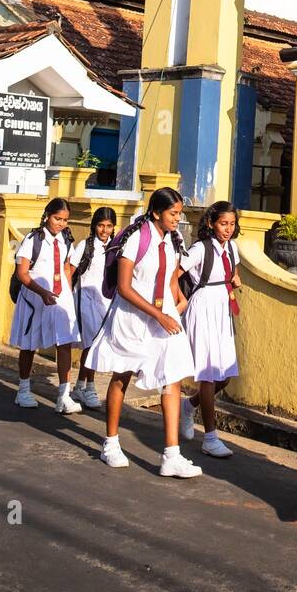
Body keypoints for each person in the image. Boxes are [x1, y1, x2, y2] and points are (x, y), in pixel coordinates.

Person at [85, 188, 201, 478]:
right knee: (122, 376)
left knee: (172, 378)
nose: (178, 218)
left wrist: (177, 303)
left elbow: (170, 278)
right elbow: (124, 287)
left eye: (179, 213)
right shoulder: (138, 238)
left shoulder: (173, 240)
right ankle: (110, 443)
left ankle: (171, 455)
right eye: (173, 213)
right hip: (133, 317)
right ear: (156, 213)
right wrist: (158, 313)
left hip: (164, 315)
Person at [179, 201, 241, 459]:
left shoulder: (232, 248)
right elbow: (176, 272)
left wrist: (234, 279)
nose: (228, 229)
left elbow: (232, 273)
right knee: (208, 374)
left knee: (224, 375)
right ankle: (210, 437)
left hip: (222, 309)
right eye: (223, 223)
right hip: (203, 308)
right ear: (211, 223)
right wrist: (179, 303)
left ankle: (188, 405)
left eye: (232, 224)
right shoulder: (199, 249)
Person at [10, 198, 82, 414]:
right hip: (34, 299)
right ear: (47, 216)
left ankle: (64, 395)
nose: (60, 223)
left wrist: (68, 295)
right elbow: (21, 273)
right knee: (30, 344)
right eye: (56, 218)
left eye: (64, 220)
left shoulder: (66, 240)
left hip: (59, 298)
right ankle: (23, 389)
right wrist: (41, 292)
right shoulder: (33, 239)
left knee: (65, 342)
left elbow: (67, 268)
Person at [69, 206, 116, 409]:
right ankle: (90, 387)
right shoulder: (85, 246)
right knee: (92, 344)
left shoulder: (115, 248)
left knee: (94, 344)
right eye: (101, 225)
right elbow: (69, 271)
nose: (104, 230)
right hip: (84, 298)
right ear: (94, 226)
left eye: (109, 226)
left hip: (104, 301)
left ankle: (80, 386)